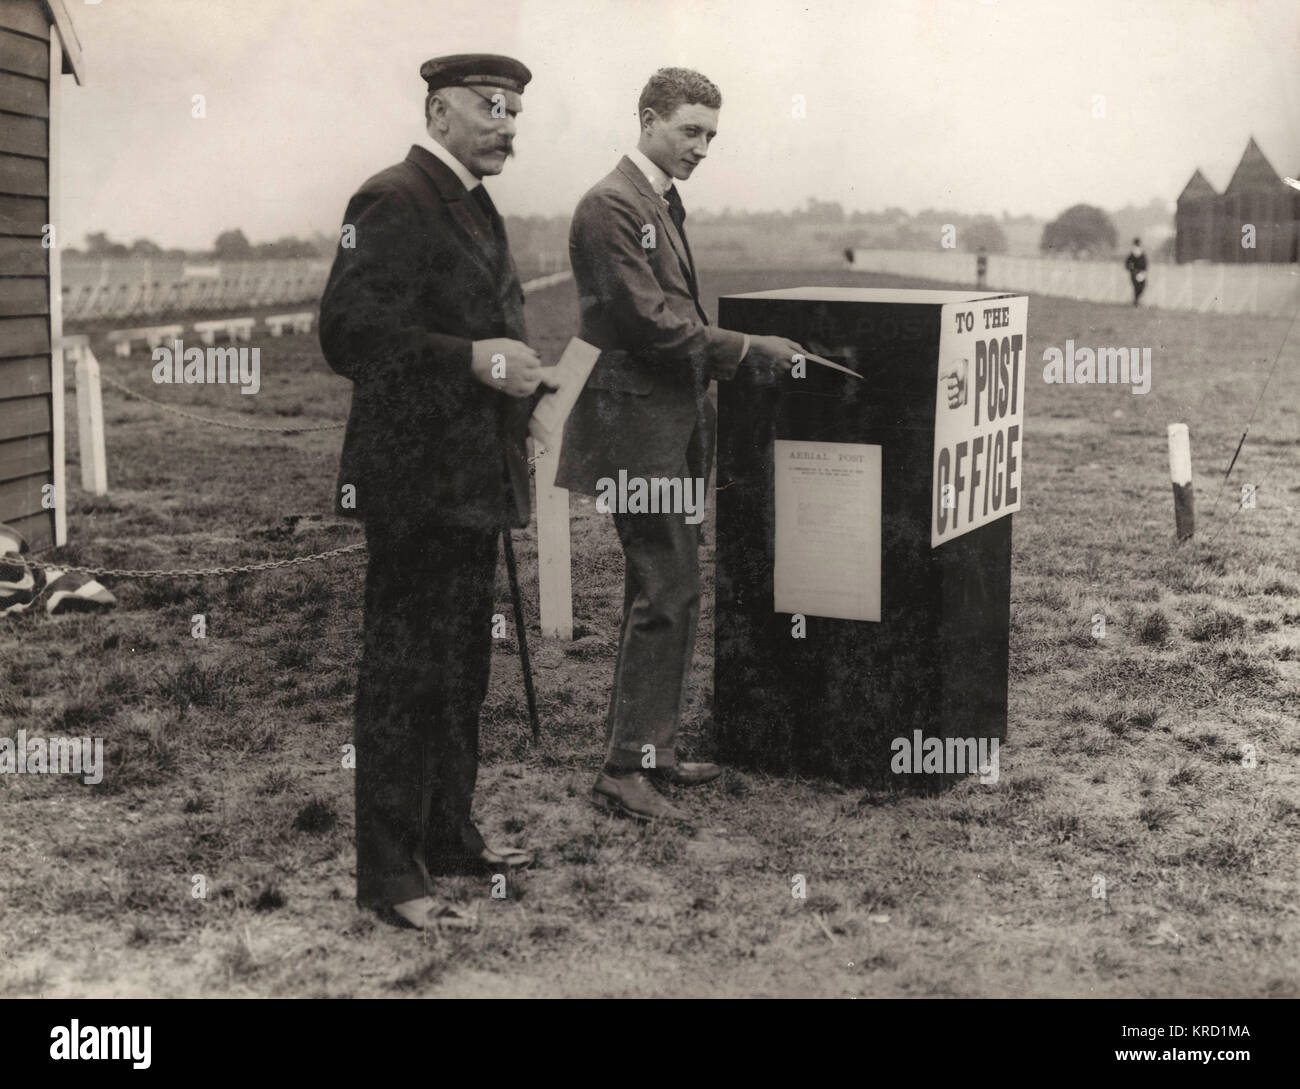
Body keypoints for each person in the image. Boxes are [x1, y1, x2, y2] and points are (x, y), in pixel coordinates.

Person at [319, 54, 553, 931]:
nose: (507, 125)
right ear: (438, 110)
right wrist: (473, 360)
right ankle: (390, 875)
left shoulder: (472, 202)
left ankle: (448, 833)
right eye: (491, 108)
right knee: (404, 674)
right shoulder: (391, 198)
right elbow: (348, 335)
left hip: (469, 478)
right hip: (414, 482)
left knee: (461, 669)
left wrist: (517, 385)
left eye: (516, 112)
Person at [556, 67, 806, 822]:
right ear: (648, 119)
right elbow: (647, 322)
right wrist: (745, 350)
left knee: (668, 587)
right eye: (689, 130)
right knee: (664, 589)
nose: (701, 147)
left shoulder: (655, 200)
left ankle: (649, 750)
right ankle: (623, 770)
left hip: (668, 425)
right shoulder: (610, 205)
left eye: (711, 135)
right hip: (638, 429)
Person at [1125, 237, 1147, 306]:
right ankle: (1136, 301)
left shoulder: (1138, 252)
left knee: (1140, 287)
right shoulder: (1134, 252)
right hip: (1136, 272)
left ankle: (1136, 301)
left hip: (1139, 272)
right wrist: (1132, 269)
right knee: (1139, 287)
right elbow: (1128, 263)